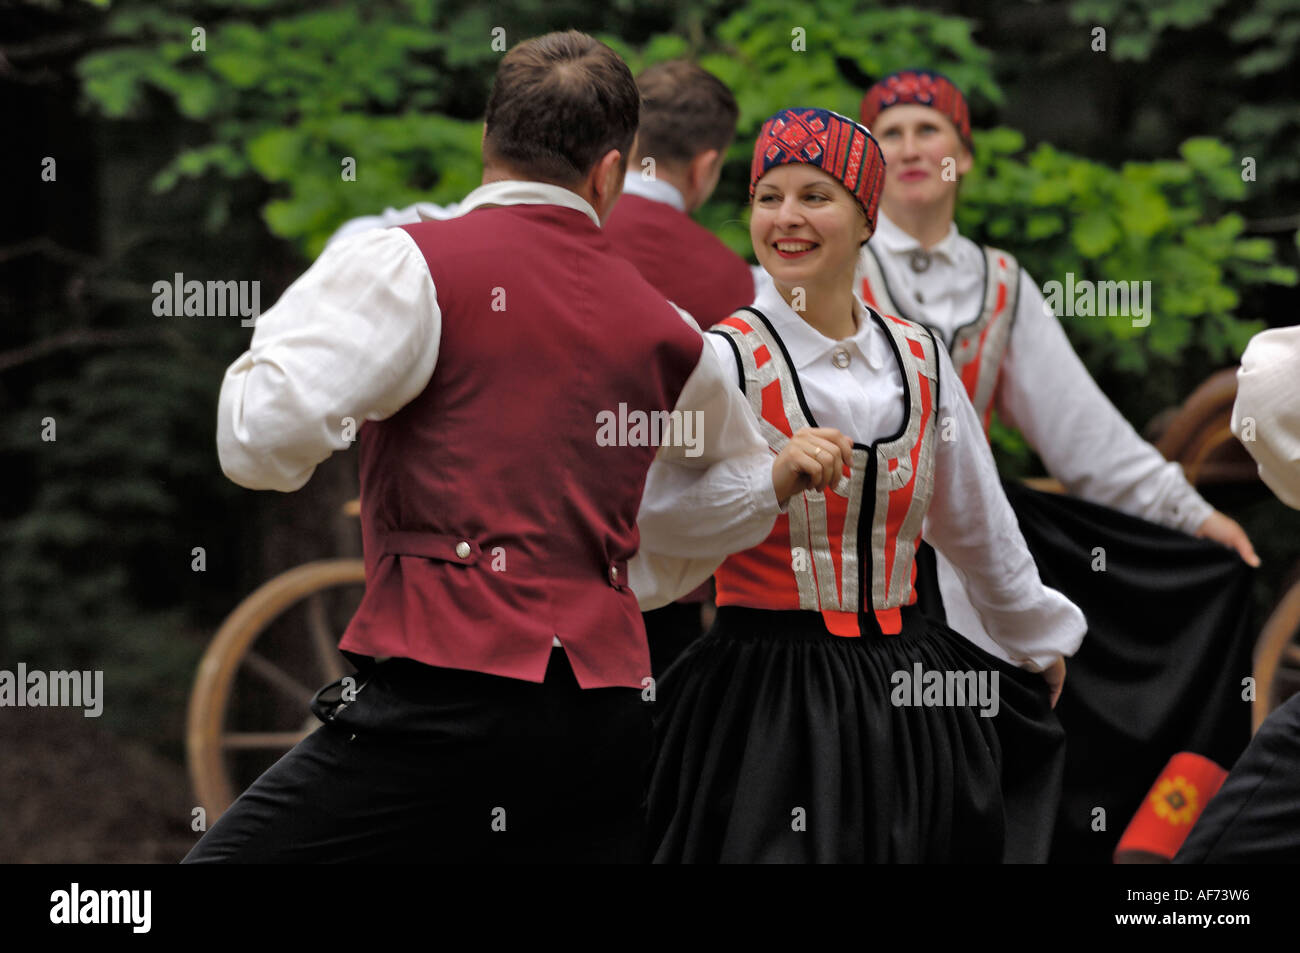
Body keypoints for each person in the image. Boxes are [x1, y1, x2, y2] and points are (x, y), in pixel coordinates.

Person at [185, 31, 855, 864]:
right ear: (611, 171)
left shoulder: (410, 266)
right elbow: (737, 479)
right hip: (604, 717)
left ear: (486, 140)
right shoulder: (674, 335)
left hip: (441, 698)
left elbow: (257, 440)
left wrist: (298, 313)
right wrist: (633, 563)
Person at [642, 107, 1087, 863]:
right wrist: (767, 481)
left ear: (865, 216)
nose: (787, 217)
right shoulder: (721, 360)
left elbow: (977, 526)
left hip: (908, 685)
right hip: (765, 691)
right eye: (768, 196)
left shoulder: (920, 356)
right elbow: (656, 520)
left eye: (816, 195)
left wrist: (1035, 636)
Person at [855, 68, 1260, 862]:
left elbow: (1084, 436)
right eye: (889, 133)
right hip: (868, 548)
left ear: (962, 156)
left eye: (927, 130)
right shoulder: (833, 264)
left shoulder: (1001, 283)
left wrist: (1193, 515)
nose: (908, 147)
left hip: (971, 544)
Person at [323, 61, 757, 676]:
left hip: (466, 588)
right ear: (708, 165)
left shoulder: (455, 237)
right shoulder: (736, 281)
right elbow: (728, 443)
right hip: (640, 591)